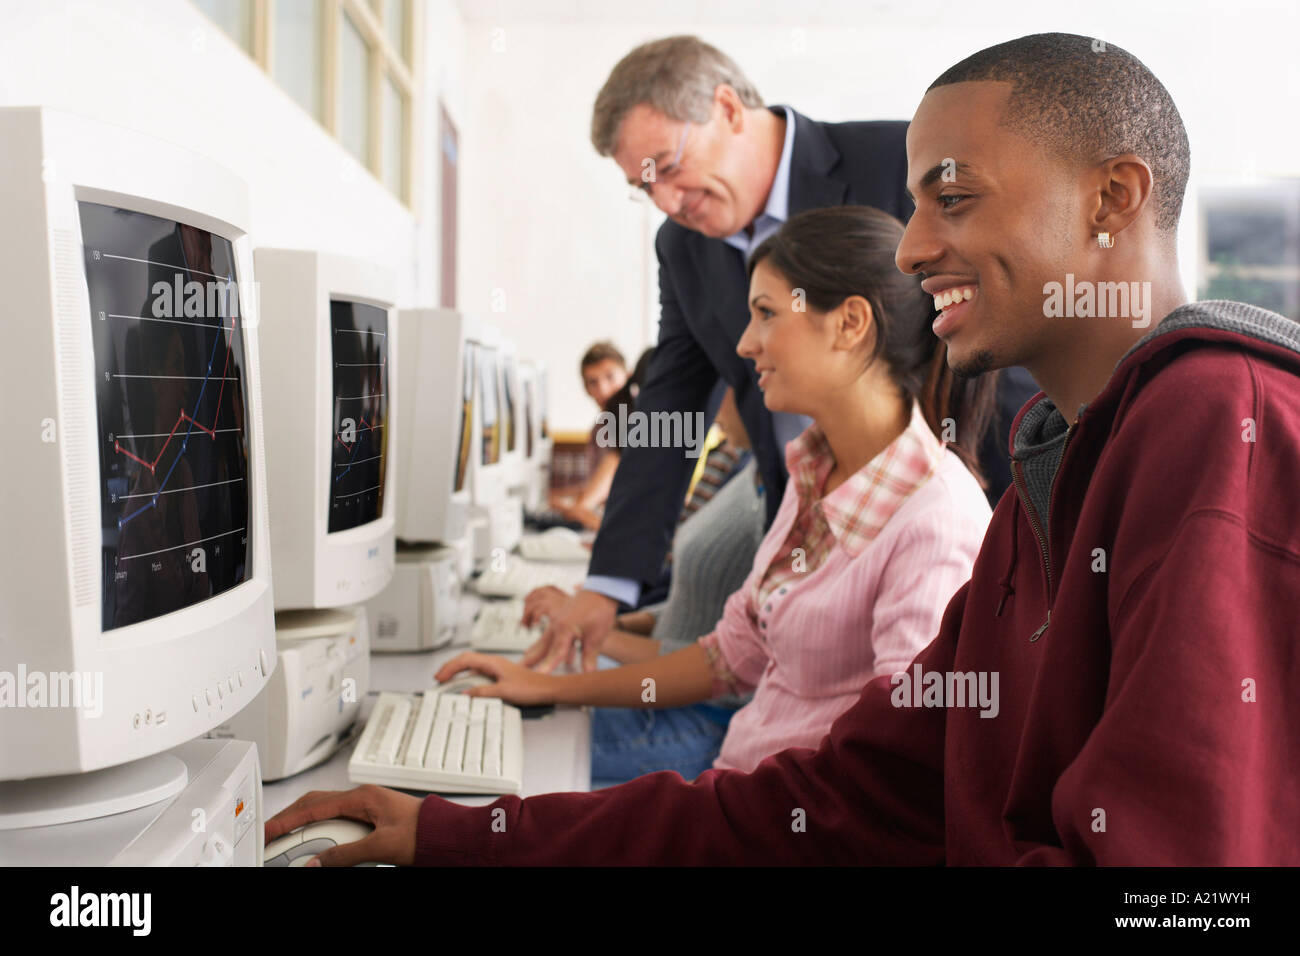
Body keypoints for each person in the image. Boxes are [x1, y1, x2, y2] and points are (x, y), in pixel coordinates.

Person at [266, 33, 1300, 866]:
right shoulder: (1044, 476)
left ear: (1112, 198)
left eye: (952, 199)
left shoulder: (1208, 425)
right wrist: (461, 831)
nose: (907, 247)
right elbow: (842, 791)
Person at [434, 206, 993, 786]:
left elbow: (894, 779)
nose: (746, 344)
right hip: (733, 788)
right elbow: (728, 658)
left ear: (850, 324)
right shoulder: (812, 471)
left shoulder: (936, 521)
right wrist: (550, 688)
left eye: (766, 314)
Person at [530, 35, 1035, 674]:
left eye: (666, 167)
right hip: (805, 530)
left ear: (727, 109)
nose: (665, 203)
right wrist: (608, 587)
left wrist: (1041, 515)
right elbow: (671, 407)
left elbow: (1004, 335)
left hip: (969, 512)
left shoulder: (899, 164)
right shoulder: (682, 249)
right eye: (642, 187)